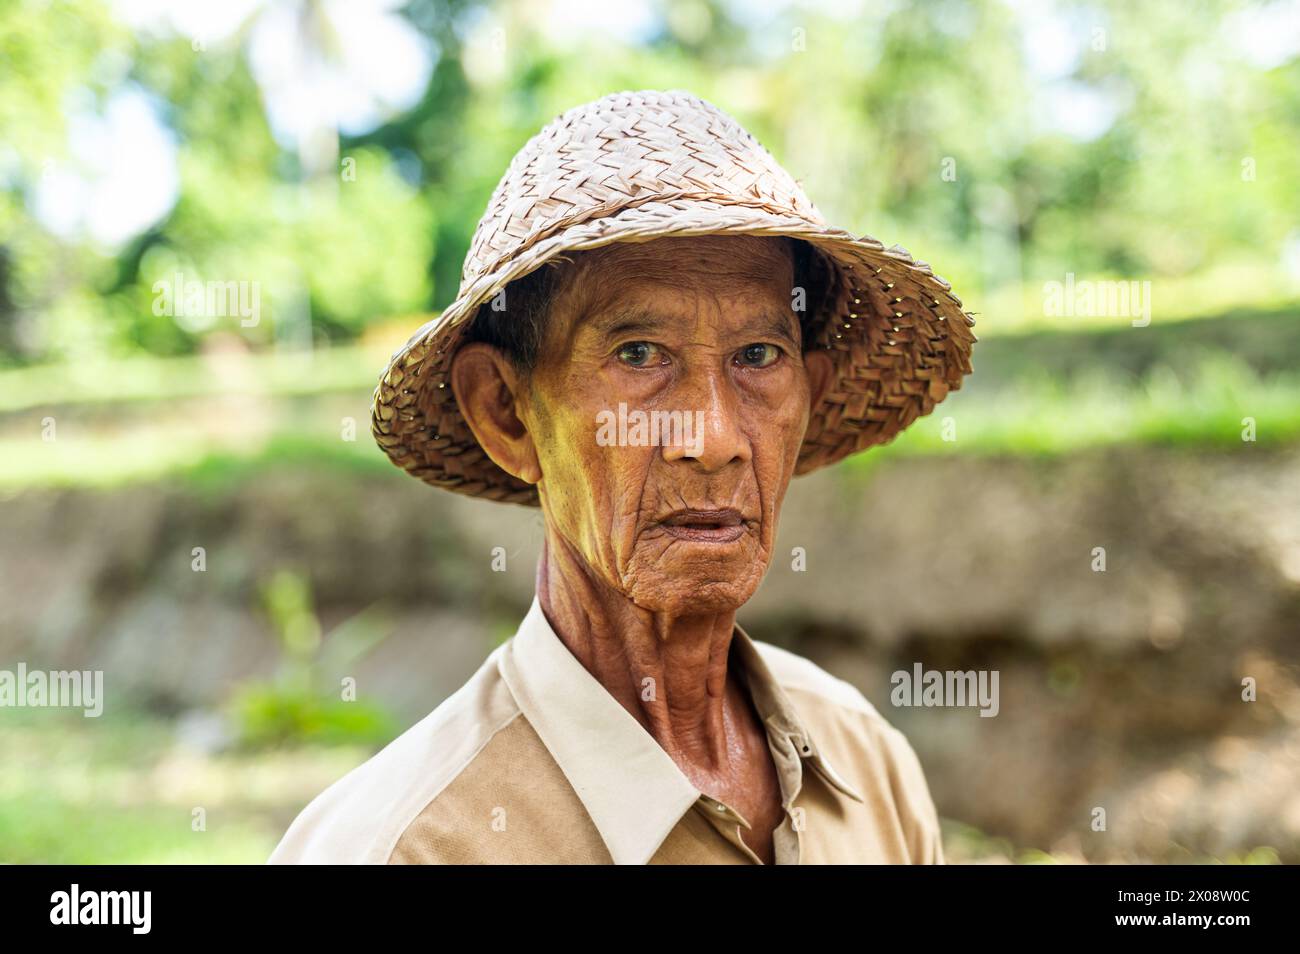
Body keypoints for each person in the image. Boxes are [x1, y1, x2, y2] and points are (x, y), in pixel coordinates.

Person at [270, 89, 976, 864]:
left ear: (806, 397)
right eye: (640, 354)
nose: (711, 440)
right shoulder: (407, 848)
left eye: (757, 357)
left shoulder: (868, 767)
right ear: (506, 411)